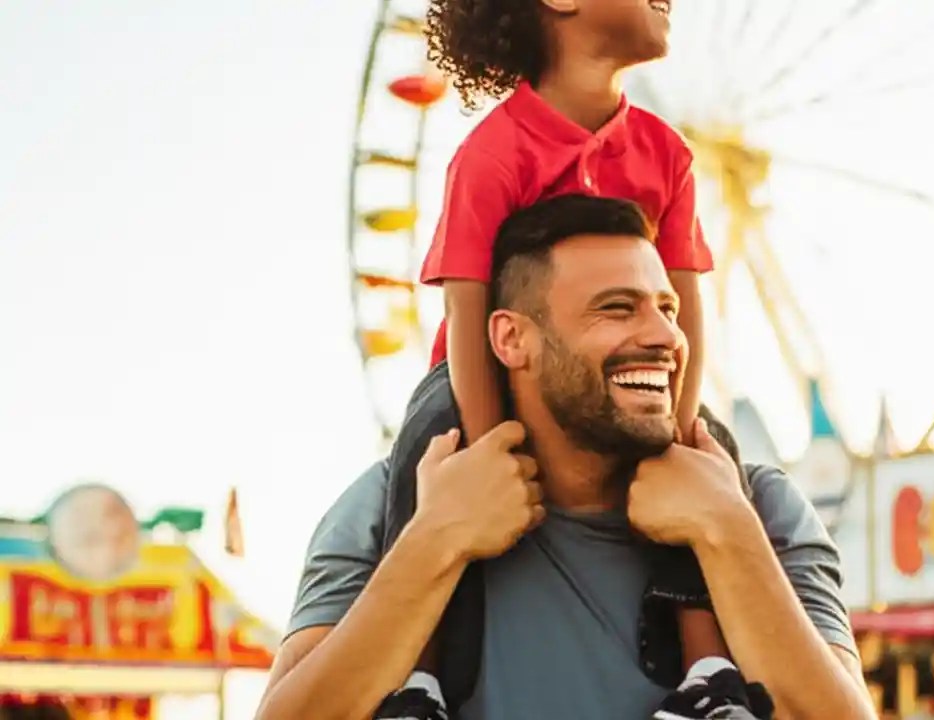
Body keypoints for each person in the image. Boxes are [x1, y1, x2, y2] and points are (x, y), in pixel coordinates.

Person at [255, 195, 877, 720]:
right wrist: (435, 541)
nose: (665, 336)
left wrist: (727, 531)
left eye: (667, 308)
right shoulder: (392, 503)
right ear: (511, 338)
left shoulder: (761, 506)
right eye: (617, 308)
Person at [415, 0, 727, 709]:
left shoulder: (666, 153)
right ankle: (421, 678)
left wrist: (676, 429)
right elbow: (466, 313)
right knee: (423, 468)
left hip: (629, 386)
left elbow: (685, 305)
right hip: (480, 376)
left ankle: (710, 674)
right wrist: (490, 446)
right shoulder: (491, 155)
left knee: (710, 468)